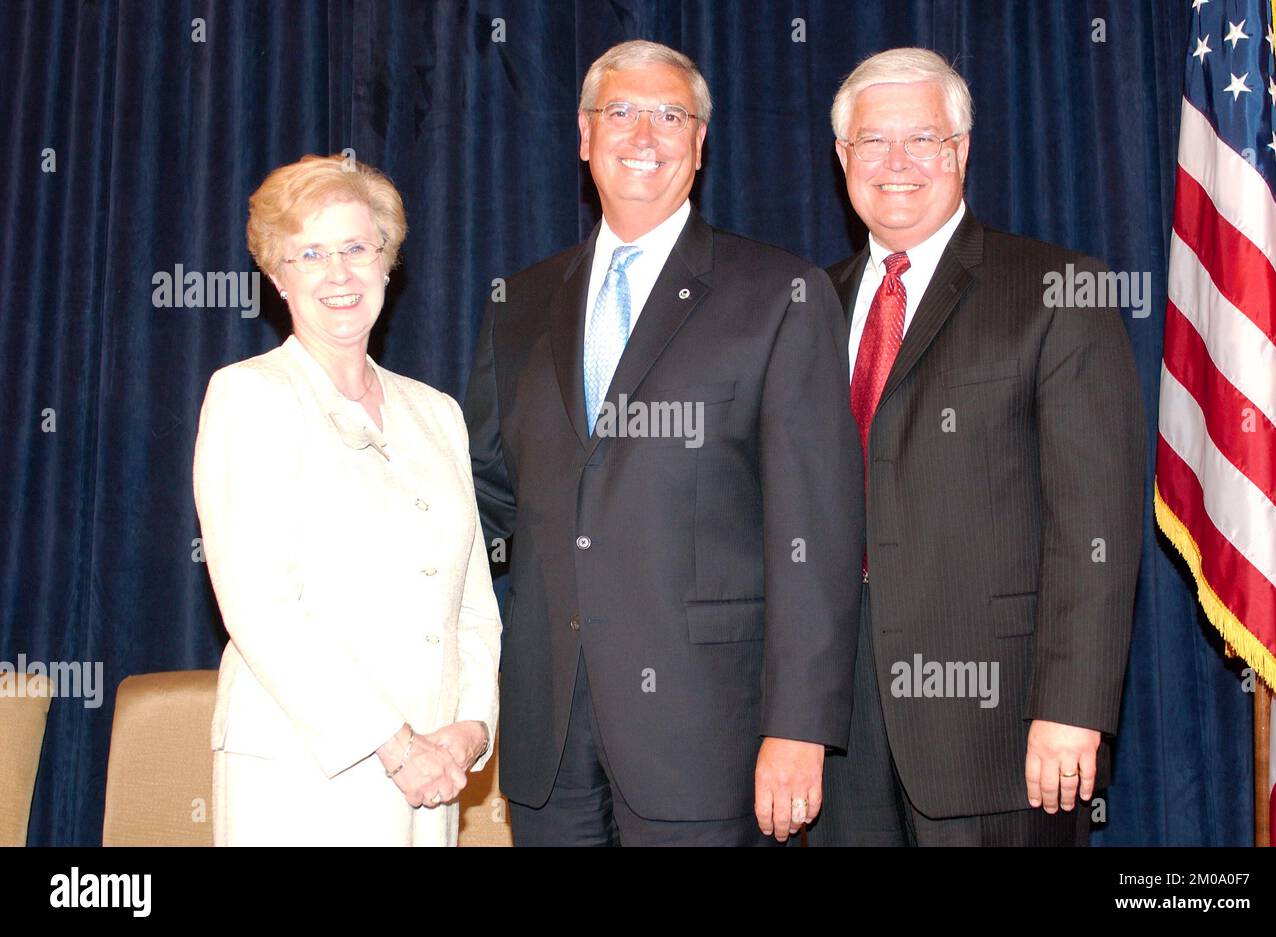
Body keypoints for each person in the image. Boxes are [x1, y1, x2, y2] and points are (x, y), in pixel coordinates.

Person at [465, 40, 863, 845]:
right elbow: (485, 500)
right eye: (621, 111)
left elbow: (815, 533)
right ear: (583, 135)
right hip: (548, 736)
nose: (643, 134)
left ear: (701, 142)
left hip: (710, 737)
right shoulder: (520, 300)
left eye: (670, 115)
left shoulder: (779, 295)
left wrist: (799, 726)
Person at [808, 48, 1145, 847]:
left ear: (961, 151)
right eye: (871, 142)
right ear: (841, 159)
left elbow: (1095, 527)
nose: (895, 164)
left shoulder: (1058, 290)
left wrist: (1072, 708)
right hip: (839, 730)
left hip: (999, 730)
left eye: (922, 139)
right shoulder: (807, 308)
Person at [193, 154, 501, 846]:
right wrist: (395, 745)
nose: (340, 272)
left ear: (387, 262)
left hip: (432, 773)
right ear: (278, 276)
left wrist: (472, 725)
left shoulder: (437, 412)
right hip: (304, 772)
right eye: (311, 252)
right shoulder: (250, 396)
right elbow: (261, 609)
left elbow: (474, 604)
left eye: (358, 247)